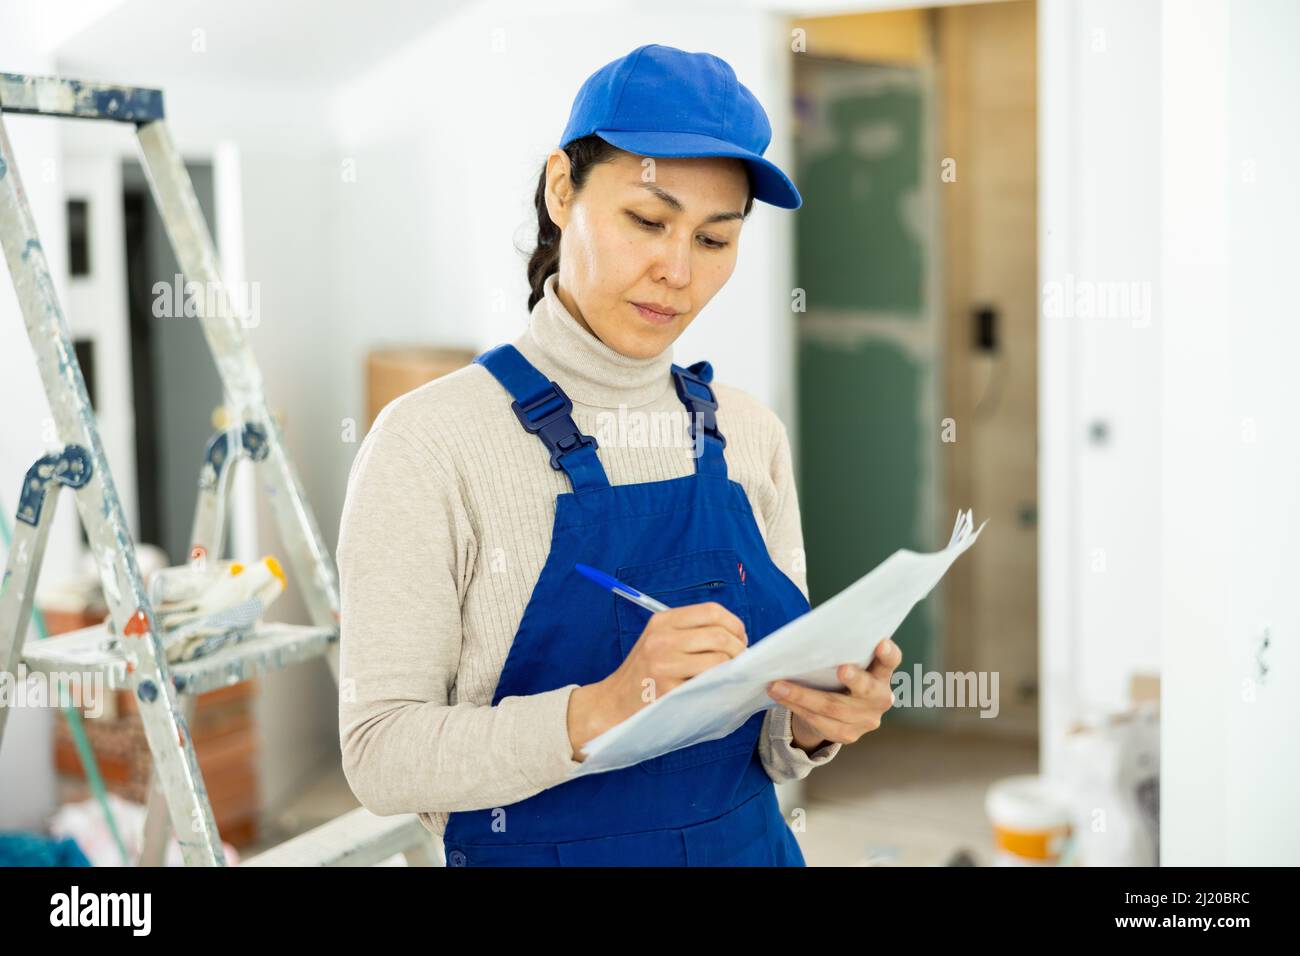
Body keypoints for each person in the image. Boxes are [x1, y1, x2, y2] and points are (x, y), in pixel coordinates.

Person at [337, 43, 902, 867]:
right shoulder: (431, 443)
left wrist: (816, 722)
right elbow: (379, 755)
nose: (676, 271)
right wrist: (603, 706)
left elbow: (771, 736)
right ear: (562, 188)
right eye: (647, 220)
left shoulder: (750, 436)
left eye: (715, 240)